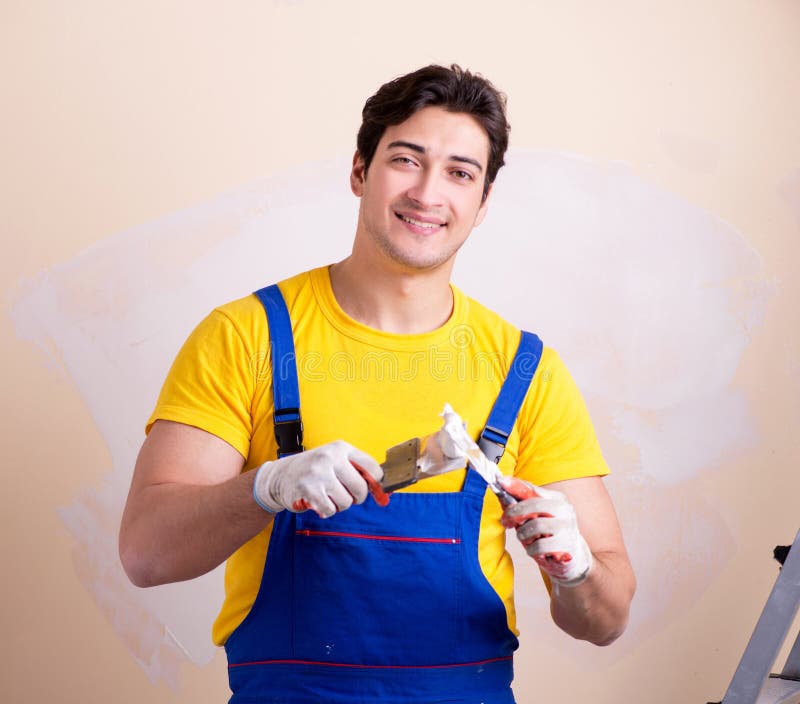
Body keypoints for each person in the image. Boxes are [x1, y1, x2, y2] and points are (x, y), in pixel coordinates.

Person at [119, 64, 636, 704]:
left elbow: (607, 620)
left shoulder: (524, 371)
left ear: (482, 203)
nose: (427, 191)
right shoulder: (245, 338)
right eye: (405, 159)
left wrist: (577, 569)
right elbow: (145, 554)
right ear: (360, 170)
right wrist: (264, 487)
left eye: (459, 173)